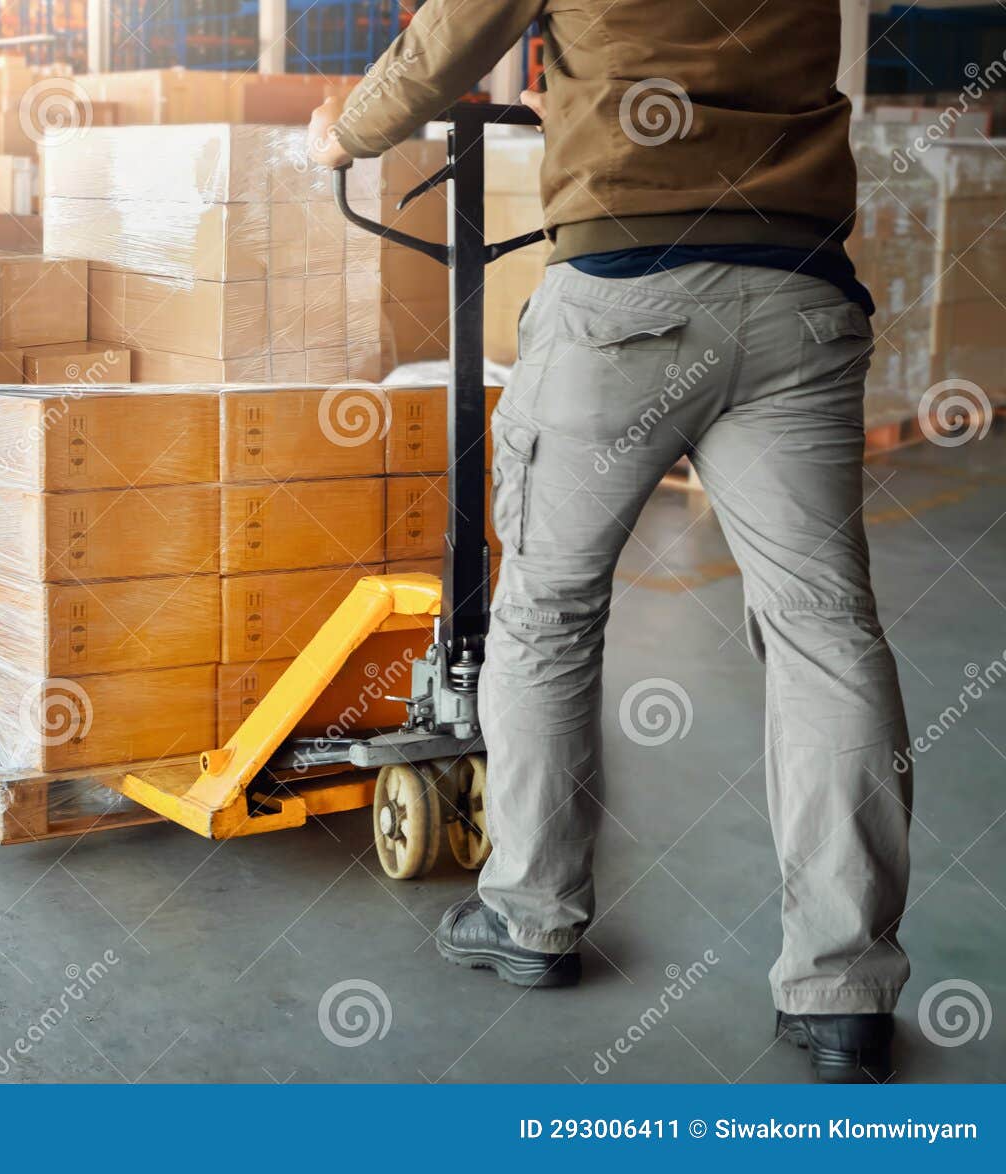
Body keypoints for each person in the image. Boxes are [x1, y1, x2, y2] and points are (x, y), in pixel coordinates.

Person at [309, 0, 912, 1084]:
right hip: (798, 288)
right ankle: (843, 989)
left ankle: (533, 915)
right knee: (826, 633)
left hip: (630, 286)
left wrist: (345, 130)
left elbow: (452, 36)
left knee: (547, 609)